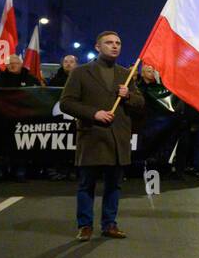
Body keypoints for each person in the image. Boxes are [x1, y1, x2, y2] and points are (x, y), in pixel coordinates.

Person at [59, 31, 145, 240]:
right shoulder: (80, 73)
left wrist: (128, 96)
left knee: (114, 185)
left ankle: (109, 224)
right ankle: (85, 225)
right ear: (98, 47)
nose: (114, 46)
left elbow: (140, 103)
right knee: (86, 185)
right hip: (92, 135)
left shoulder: (126, 73)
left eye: (118, 43)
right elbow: (66, 103)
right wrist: (93, 113)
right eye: (109, 43)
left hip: (117, 137)